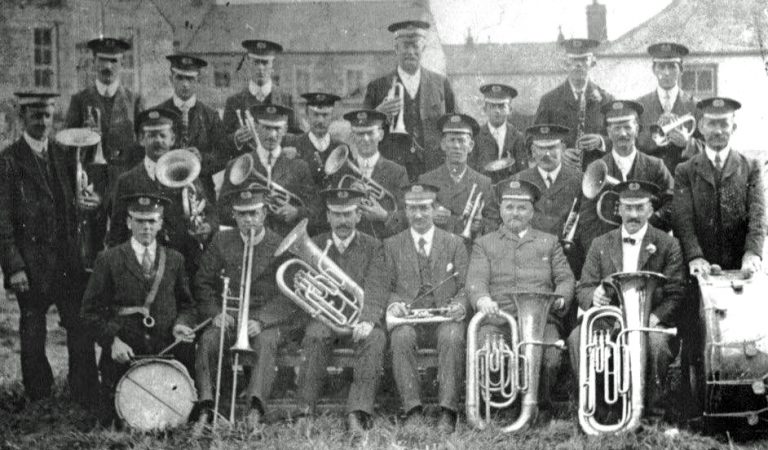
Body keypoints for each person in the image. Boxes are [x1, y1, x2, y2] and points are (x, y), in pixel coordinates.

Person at [0, 92, 98, 405]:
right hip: (30, 264)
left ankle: (83, 388)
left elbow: (75, 206)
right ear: (22, 117)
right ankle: (38, 395)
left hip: (68, 262)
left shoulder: (64, 154)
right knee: (32, 329)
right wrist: (14, 267)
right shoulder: (9, 160)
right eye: (35, 115)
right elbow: (2, 221)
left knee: (79, 324)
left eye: (46, 115)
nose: (42, 122)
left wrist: (89, 205)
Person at [568, 181, 684, 426]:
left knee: (657, 345)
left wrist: (656, 318)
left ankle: (652, 416)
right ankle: (595, 412)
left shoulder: (667, 244)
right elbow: (584, 287)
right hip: (610, 318)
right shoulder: (600, 244)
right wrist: (593, 297)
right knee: (578, 338)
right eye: (628, 208)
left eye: (640, 208)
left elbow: (676, 292)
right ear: (618, 209)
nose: (633, 214)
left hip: (650, 320)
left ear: (651, 210)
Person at [81, 193, 198, 426]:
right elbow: (88, 313)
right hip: (124, 354)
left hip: (167, 349)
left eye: (152, 221)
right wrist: (112, 341)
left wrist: (182, 324)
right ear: (128, 222)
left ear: (160, 223)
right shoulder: (108, 259)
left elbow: (188, 305)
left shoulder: (175, 259)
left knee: (176, 415)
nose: (146, 227)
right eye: (139, 221)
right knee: (117, 419)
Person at [194, 186, 303, 425]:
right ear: (234, 215)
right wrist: (216, 314)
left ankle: (255, 407)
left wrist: (262, 320)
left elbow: (287, 294)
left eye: (254, 213)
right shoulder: (222, 240)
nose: (249, 220)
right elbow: (202, 283)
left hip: (261, 319)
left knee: (267, 341)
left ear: (264, 213)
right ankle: (206, 405)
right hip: (229, 314)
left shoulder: (278, 244)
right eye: (242, 214)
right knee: (209, 340)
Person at [467, 179, 574, 416]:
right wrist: (483, 300)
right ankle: (502, 410)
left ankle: (539, 407)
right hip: (499, 320)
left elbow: (566, 279)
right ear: (501, 210)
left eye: (521, 207)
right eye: (509, 207)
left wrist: (561, 299)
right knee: (488, 353)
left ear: (532, 212)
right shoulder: (484, 243)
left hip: (542, 321)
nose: (515, 213)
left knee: (551, 360)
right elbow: (476, 281)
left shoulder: (549, 242)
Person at [375, 184, 468, 433]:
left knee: (452, 337)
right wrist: (394, 304)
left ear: (434, 209)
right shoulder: (391, 244)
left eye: (424, 208)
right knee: (401, 338)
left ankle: (448, 411)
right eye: (412, 209)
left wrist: (459, 305)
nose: (418, 215)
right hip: (408, 318)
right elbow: (387, 286)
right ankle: (412, 409)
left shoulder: (455, 243)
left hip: (444, 318)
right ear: (405, 211)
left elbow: (465, 286)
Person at [296, 188, 387, 434]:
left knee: (375, 338)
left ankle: (357, 413)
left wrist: (368, 320)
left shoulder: (374, 246)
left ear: (359, 216)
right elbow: (304, 289)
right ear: (327, 217)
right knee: (315, 336)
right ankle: (305, 411)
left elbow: (377, 288)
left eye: (348, 214)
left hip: (361, 317)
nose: (343, 221)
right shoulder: (315, 244)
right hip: (325, 318)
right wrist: (305, 291)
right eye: (337, 215)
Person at [107, 107, 218, 275]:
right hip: (143, 268)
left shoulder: (187, 173)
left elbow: (211, 214)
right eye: (151, 136)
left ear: (172, 139)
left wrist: (207, 226)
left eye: (163, 135)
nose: (158, 141)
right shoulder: (127, 181)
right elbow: (117, 233)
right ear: (141, 140)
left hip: (184, 266)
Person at [65, 37, 146, 256]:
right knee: (90, 250)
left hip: (125, 186)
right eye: (102, 60)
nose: (107, 67)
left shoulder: (135, 101)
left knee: (127, 248)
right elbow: (67, 149)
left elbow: (142, 149)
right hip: (92, 187)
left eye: (114, 60)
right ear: (93, 62)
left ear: (122, 64)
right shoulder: (80, 100)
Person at [672, 97, 764, 274]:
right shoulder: (685, 171)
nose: (718, 131)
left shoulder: (751, 167)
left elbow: (758, 216)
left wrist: (752, 253)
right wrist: (694, 256)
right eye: (712, 124)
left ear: (734, 127)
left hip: (742, 267)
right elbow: (682, 220)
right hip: (699, 268)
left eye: (724, 124)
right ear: (701, 127)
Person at [576, 100, 674, 263]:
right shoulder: (596, 168)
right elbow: (587, 222)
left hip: (651, 254)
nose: (622, 134)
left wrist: (650, 220)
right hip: (609, 256)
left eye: (628, 127)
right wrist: (600, 257)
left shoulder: (656, 166)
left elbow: (673, 204)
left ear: (637, 129)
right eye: (616, 128)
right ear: (608, 132)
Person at [364, 20, 456, 176]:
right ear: (396, 48)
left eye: (416, 46)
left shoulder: (441, 83)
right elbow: (362, 128)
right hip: (393, 169)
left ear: (423, 48)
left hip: (433, 168)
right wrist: (378, 114)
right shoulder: (377, 86)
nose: (411, 51)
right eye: (405, 46)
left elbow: (454, 126)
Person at [496, 124, 583, 274]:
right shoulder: (518, 180)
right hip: (528, 262)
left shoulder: (580, 180)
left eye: (552, 148)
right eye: (541, 148)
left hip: (569, 262)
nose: (546, 154)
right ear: (532, 151)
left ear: (562, 148)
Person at [218, 104, 317, 236]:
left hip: (286, 242)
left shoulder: (300, 166)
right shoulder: (236, 165)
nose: (272, 135)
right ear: (256, 128)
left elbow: (315, 210)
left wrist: (297, 212)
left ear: (286, 129)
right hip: (251, 241)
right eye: (266, 128)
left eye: (277, 128)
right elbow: (222, 211)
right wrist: (246, 213)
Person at [154, 54, 231, 198]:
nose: (185, 84)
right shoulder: (159, 114)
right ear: (171, 79)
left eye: (190, 79)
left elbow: (224, 154)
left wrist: (201, 157)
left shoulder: (211, 115)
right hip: (166, 192)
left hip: (202, 192)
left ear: (198, 80)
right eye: (180, 78)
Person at [327, 110, 409, 239]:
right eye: (360, 134)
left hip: (385, 244)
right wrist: (349, 200)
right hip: (353, 245)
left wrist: (384, 215)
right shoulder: (341, 172)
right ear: (353, 137)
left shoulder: (398, 172)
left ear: (380, 135)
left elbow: (407, 216)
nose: (365, 139)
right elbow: (333, 212)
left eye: (370, 133)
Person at [534, 38, 614, 170]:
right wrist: (557, 153)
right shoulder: (548, 101)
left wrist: (601, 142)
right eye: (573, 60)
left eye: (584, 60)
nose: (578, 65)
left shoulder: (607, 100)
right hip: (560, 174)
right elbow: (534, 140)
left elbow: (620, 139)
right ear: (565, 64)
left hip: (596, 174)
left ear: (593, 62)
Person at [418, 113, 495, 239]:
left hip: (469, 251)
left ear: (470, 146)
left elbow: (494, 222)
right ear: (443, 144)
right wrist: (429, 216)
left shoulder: (483, 183)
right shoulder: (426, 180)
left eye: (461, 140)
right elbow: (415, 219)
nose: (456, 146)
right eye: (452, 140)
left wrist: (481, 224)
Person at [222, 39, 300, 150]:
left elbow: (301, 137)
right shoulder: (233, 102)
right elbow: (221, 141)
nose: (260, 68)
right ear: (248, 64)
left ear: (273, 66)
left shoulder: (287, 99)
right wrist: (236, 138)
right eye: (256, 62)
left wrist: (281, 136)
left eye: (265, 62)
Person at [636, 42, 700, 173]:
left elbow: (709, 148)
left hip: (686, 179)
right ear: (654, 70)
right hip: (651, 177)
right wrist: (655, 135)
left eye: (672, 67)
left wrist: (687, 143)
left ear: (681, 70)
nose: (666, 73)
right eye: (661, 66)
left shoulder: (695, 106)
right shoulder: (640, 106)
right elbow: (633, 145)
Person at [469, 84, 530, 182]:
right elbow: (470, 170)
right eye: (492, 106)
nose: (497, 111)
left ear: (509, 110)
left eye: (502, 106)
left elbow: (523, 171)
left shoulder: (518, 137)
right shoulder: (476, 136)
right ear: (485, 109)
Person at [285, 92, 344, 187]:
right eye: (315, 115)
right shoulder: (293, 144)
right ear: (307, 116)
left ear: (332, 117)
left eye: (325, 115)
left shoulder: (342, 148)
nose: (320, 121)